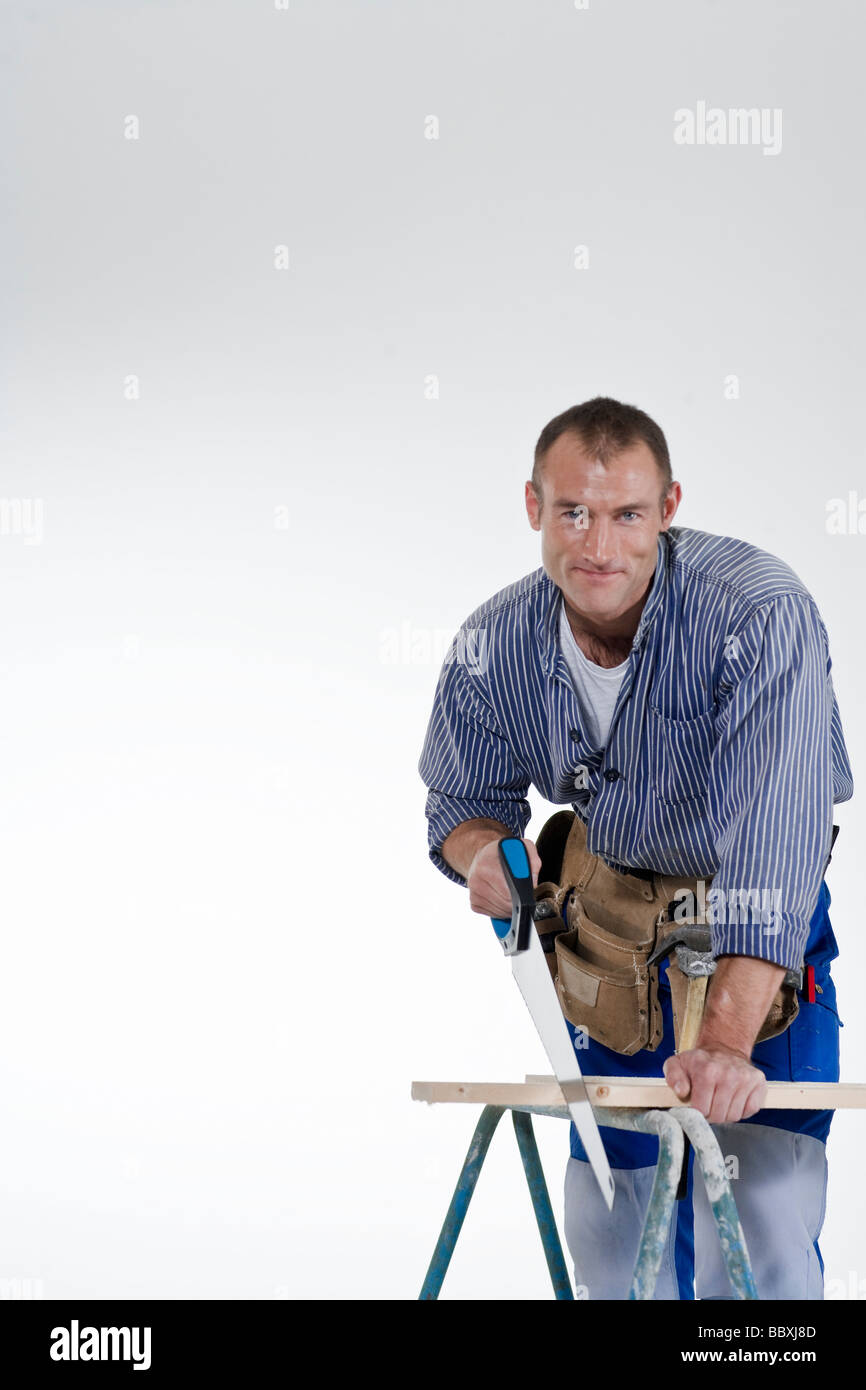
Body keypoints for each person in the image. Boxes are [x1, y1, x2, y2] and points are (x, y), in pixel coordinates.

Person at [418, 396, 853, 1299]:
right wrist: (486, 856)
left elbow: (775, 845)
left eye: (627, 514)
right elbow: (459, 807)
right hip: (608, 958)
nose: (598, 544)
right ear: (534, 506)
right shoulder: (492, 643)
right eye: (573, 511)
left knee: (760, 1238)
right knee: (617, 1242)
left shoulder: (756, 614)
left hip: (752, 952)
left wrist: (727, 1041)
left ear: (670, 508)